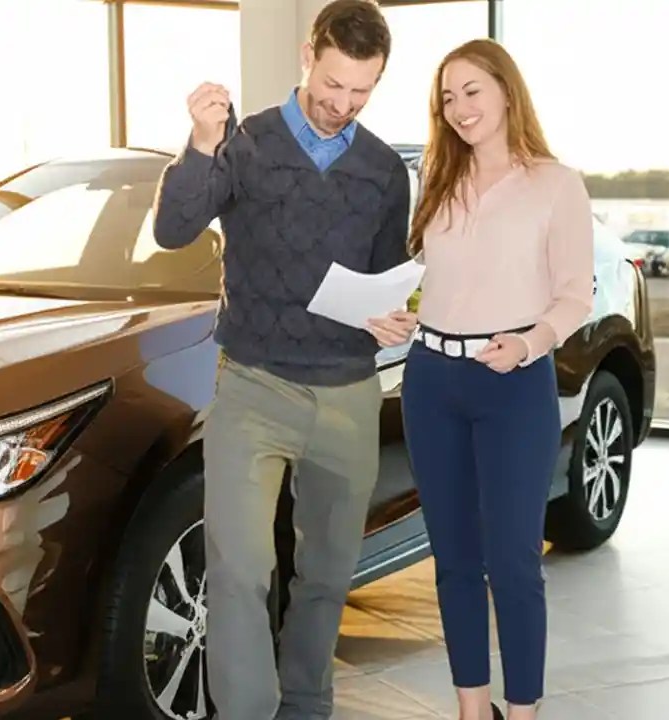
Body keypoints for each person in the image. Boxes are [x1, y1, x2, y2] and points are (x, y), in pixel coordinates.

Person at [152, 1, 417, 718]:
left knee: (327, 575)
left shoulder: (384, 171)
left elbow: (387, 275)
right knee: (239, 572)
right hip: (253, 389)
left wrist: (395, 321)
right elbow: (174, 228)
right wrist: (200, 145)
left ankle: (306, 706)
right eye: (333, 84)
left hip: (348, 394)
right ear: (309, 54)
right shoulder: (246, 142)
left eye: (361, 91)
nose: (342, 104)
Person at [397, 39, 594, 720]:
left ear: (507, 91)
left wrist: (530, 342)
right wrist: (399, 312)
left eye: (471, 91)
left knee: (513, 563)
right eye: (447, 98)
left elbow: (575, 296)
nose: (458, 109)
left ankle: (524, 712)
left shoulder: (555, 183)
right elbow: (434, 281)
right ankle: (470, 709)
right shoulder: (437, 177)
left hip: (513, 384)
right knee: (452, 563)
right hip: (430, 382)